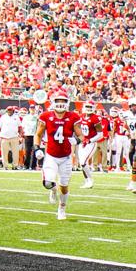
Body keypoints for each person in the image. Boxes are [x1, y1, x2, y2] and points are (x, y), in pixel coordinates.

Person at [34, 90, 84, 220]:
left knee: (65, 186)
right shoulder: (46, 116)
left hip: (66, 157)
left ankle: (62, 208)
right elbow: (38, 134)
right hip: (51, 155)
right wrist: (36, 148)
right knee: (47, 183)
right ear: (53, 102)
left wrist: (77, 140)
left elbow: (81, 135)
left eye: (63, 101)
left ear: (67, 102)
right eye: (58, 101)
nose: (60, 103)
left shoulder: (73, 117)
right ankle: (53, 189)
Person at [77, 101, 105, 189]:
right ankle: (86, 181)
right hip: (82, 143)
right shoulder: (81, 117)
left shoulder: (95, 118)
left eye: (90, 106)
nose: (89, 108)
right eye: (87, 106)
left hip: (91, 144)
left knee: (83, 162)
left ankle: (90, 180)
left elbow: (100, 134)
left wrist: (89, 140)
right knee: (82, 164)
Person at [122, 98, 136, 190]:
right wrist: (126, 131)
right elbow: (125, 126)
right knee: (131, 156)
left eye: (135, 105)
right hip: (132, 139)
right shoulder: (127, 114)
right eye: (132, 106)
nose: (134, 107)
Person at [0, 105, 21, 170]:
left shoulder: (16, 117)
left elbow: (20, 127)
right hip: (4, 137)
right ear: (6, 111)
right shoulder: (3, 117)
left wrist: (20, 135)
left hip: (14, 137)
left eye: (10, 110)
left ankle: (15, 165)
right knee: (4, 152)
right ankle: (5, 166)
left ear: (13, 110)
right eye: (8, 110)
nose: (9, 111)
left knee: (15, 152)